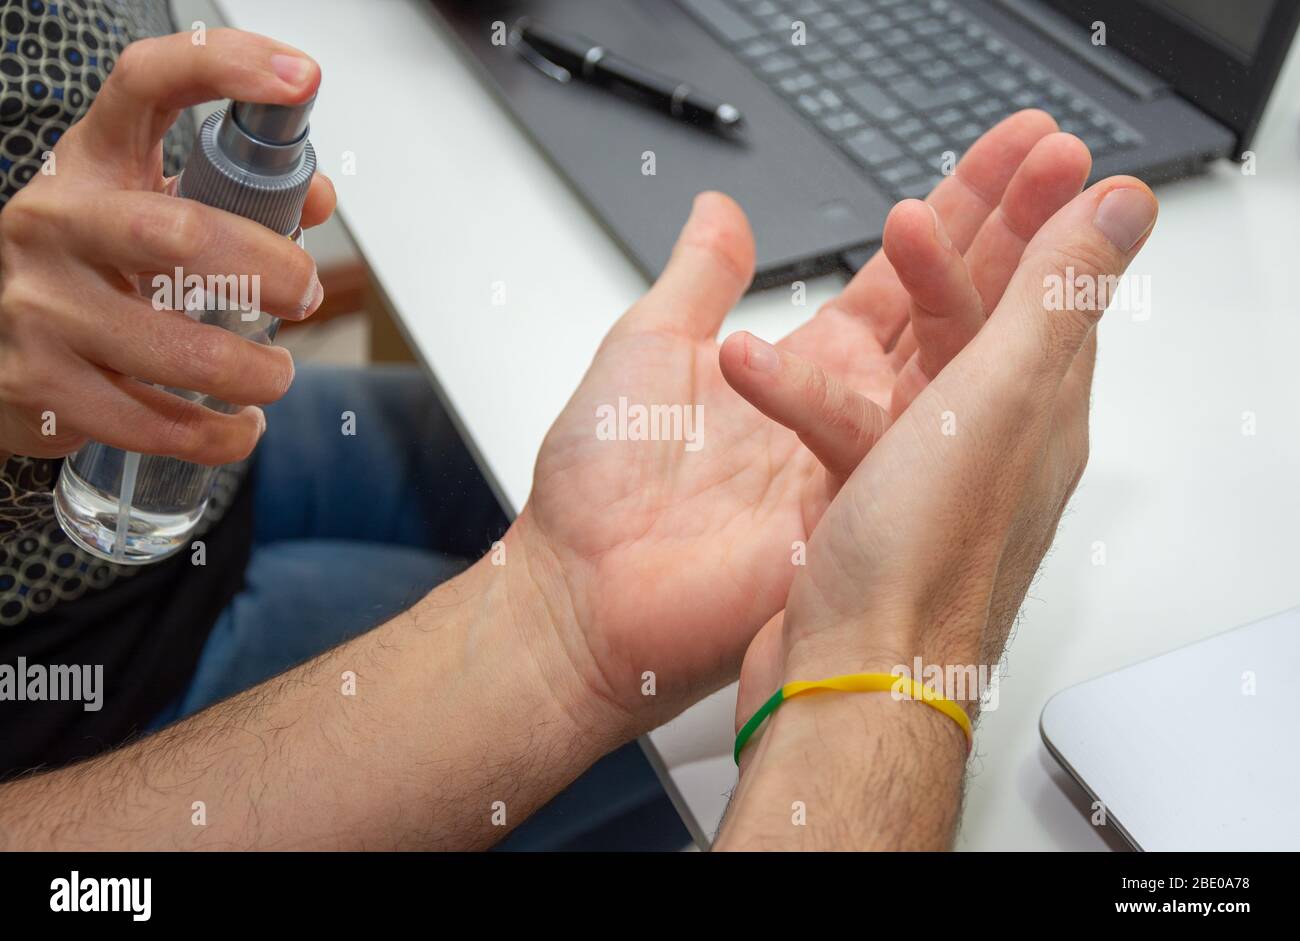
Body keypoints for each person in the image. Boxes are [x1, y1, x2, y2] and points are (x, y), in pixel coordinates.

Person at [0, 21, 1158, 847]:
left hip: (132, 477)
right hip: (67, 691)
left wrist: (559, 603)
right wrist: (900, 659)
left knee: (477, 455)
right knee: (676, 785)